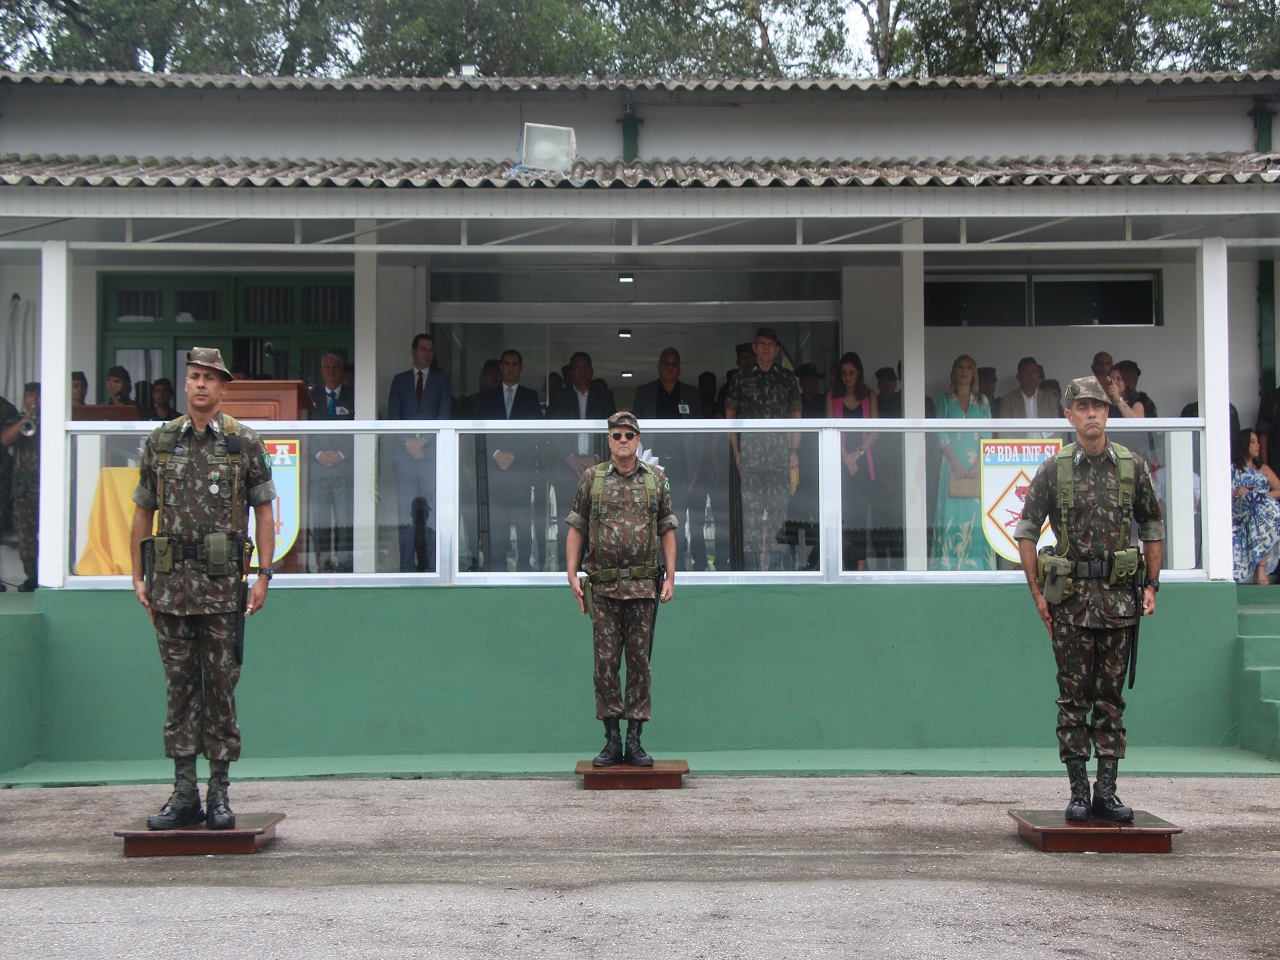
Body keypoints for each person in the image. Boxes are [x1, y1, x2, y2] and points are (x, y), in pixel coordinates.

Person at [129, 348, 277, 831]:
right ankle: (183, 793)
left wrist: (263, 574)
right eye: (193, 376)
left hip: (220, 592)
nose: (199, 385)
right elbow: (141, 512)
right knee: (179, 692)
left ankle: (218, 793)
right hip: (171, 589)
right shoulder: (161, 441)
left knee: (220, 689)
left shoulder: (242, 443)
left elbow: (265, 512)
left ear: (222, 388)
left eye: (209, 379)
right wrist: (137, 576)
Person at [1015, 376, 1163, 824]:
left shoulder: (1131, 467)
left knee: (1111, 701)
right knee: (1073, 699)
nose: (1092, 413)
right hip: (1072, 604)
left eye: (1098, 405)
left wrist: (1152, 584)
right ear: (1069, 415)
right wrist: (1037, 592)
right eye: (1082, 406)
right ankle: (1079, 793)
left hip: (1119, 604)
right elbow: (1026, 529)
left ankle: (1108, 793)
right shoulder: (1054, 469)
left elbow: (1152, 525)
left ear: (1108, 412)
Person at [565, 412, 677, 768]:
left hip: (644, 587)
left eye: (630, 434)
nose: (624, 440)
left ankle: (635, 739)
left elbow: (667, 529)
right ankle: (612, 739)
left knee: (640, 664)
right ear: (609, 440)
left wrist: (671, 577)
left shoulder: (656, 480)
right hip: (605, 587)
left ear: (639, 439)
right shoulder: (592, 480)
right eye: (617, 435)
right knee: (606, 664)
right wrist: (571, 574)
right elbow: (577, 526)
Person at [724, 327, 802, 571]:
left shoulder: (787, 378)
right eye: (761, 343)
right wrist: (736, 450)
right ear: (755, 348)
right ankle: (751, 571)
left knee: (779, 517)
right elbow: (730, 416)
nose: (766, 348)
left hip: (780, 458)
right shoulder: (741, 377)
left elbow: (796, 415)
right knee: (752, 518)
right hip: (751, 459)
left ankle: (779, 570)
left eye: (770, 344)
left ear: (777, 349)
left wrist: (793, 449)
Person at [632, 348, 707, 572]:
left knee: (677, 517)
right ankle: (651, 566)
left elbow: (700, 434)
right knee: (649, 513)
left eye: (675, 363)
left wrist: (696, 468)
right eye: (666, 362)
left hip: (682, 465)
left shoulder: (691, 395)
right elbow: (633, 431)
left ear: (680, 368)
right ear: (659, 366)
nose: (670, 366)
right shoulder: (645, 392)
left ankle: (676, 568)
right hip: (650, 464)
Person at [387, 333, 452, 572]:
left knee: (433, 515)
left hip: (430, 457)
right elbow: (393, 417)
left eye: (430, 349)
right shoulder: (400, 380)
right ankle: (407, 566)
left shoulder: (441, 380)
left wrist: (422, 442)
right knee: (405, 515)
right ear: (413, 351)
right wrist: (408, 444)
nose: (427, 353)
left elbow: (445, 415)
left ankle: (433, 566)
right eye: (423, 349)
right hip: (405, 459)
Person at [474, 349, 543, 571]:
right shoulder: (487, 397)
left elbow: (536, 433)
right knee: (498, 519)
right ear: (501, 367)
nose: (511, 367)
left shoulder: (530, 397)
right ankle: (497, 563)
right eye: (507, 364)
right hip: (496, 469)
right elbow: (480, 431)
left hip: (520, 468)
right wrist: (496, 453)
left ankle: (524, 563)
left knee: (523, 519)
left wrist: (515, 455)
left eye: (515, 364)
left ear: (520, 367)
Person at [548, 352, 616, 568]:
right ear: (571, 372)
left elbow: (613, 430)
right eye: (577, 367)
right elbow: (552, 432)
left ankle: (595, 570)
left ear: (592, 370)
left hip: (598, 470)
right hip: (566, 470)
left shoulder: (604, 397)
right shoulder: (560, 397)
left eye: (586, 366)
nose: (582, 370)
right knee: (567, 521)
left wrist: (597, 457)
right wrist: (571, 458)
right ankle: (566, 569)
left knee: (597, 520)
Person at [930, 355, 994, 570]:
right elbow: (941, 435)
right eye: (960, 367)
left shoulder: (983, 401)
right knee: (952, 515)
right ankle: (949, 567)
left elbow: (987, 435)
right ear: (954, 372)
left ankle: (979, 567)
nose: (965, 371)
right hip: (951, 467)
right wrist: (957, 465)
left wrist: (975, 467)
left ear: (974, 373)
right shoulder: (944, 400)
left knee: (976, 518)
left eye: (969, 367)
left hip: (977, 468)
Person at [827, 352, 878, 571]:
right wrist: (845, 458)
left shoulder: (869, 395)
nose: (847, 377)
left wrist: (855, 454)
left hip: (864, 463)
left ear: (859, 373)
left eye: (851, 373)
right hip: (839, 465)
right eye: (844, 373)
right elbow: (829, 429)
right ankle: (842, 565)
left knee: (860, 518)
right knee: (842, 516)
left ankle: (860, 566)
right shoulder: (832, 395)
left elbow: (876, 431)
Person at [307, 353, 355, 573]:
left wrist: (341, 454)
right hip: (318, 469)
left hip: (343, 468)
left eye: (336, 366)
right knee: (321, 522)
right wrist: (318, 454)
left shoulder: (352, 396)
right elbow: (303, 431)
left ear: (341, 370)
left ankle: (345, 563)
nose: (332, 370)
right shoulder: (310, 397)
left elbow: (359, 428)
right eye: (327, 367)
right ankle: (324, 564)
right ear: (322, 371)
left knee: (345, 521)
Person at [0, 383, 39, 591]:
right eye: (30, 395)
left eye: (38, 395)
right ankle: (31, 577)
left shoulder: (52, 420)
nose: (34, 399)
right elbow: (5, 440)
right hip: (24, 489)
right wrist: (26, 419)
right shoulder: (16, 420)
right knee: (26, 536)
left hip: (47, 487)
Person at [1231, 429, 1280, 584]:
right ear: (1243, 444)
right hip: (1239, 510)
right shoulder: (1232, 469)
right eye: (1253, 442)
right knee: (1255, 502)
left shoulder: (1264, 469)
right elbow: (1218, 492)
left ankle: (1261, 568)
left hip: (1260, 510)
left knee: (1258, 504)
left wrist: (1260, 496)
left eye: (1258, 441)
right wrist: (1238, 491)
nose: (1258, 445)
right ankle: (1261, 571)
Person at [997, 356, 1059, 423]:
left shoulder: (1050, 400)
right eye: (1026, 372)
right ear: (1018, 377)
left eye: (1034, 371)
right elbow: (1004, 431)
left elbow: (1056, 430)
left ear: (1038, 375)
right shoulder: (1007, 401)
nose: (1031, 375)